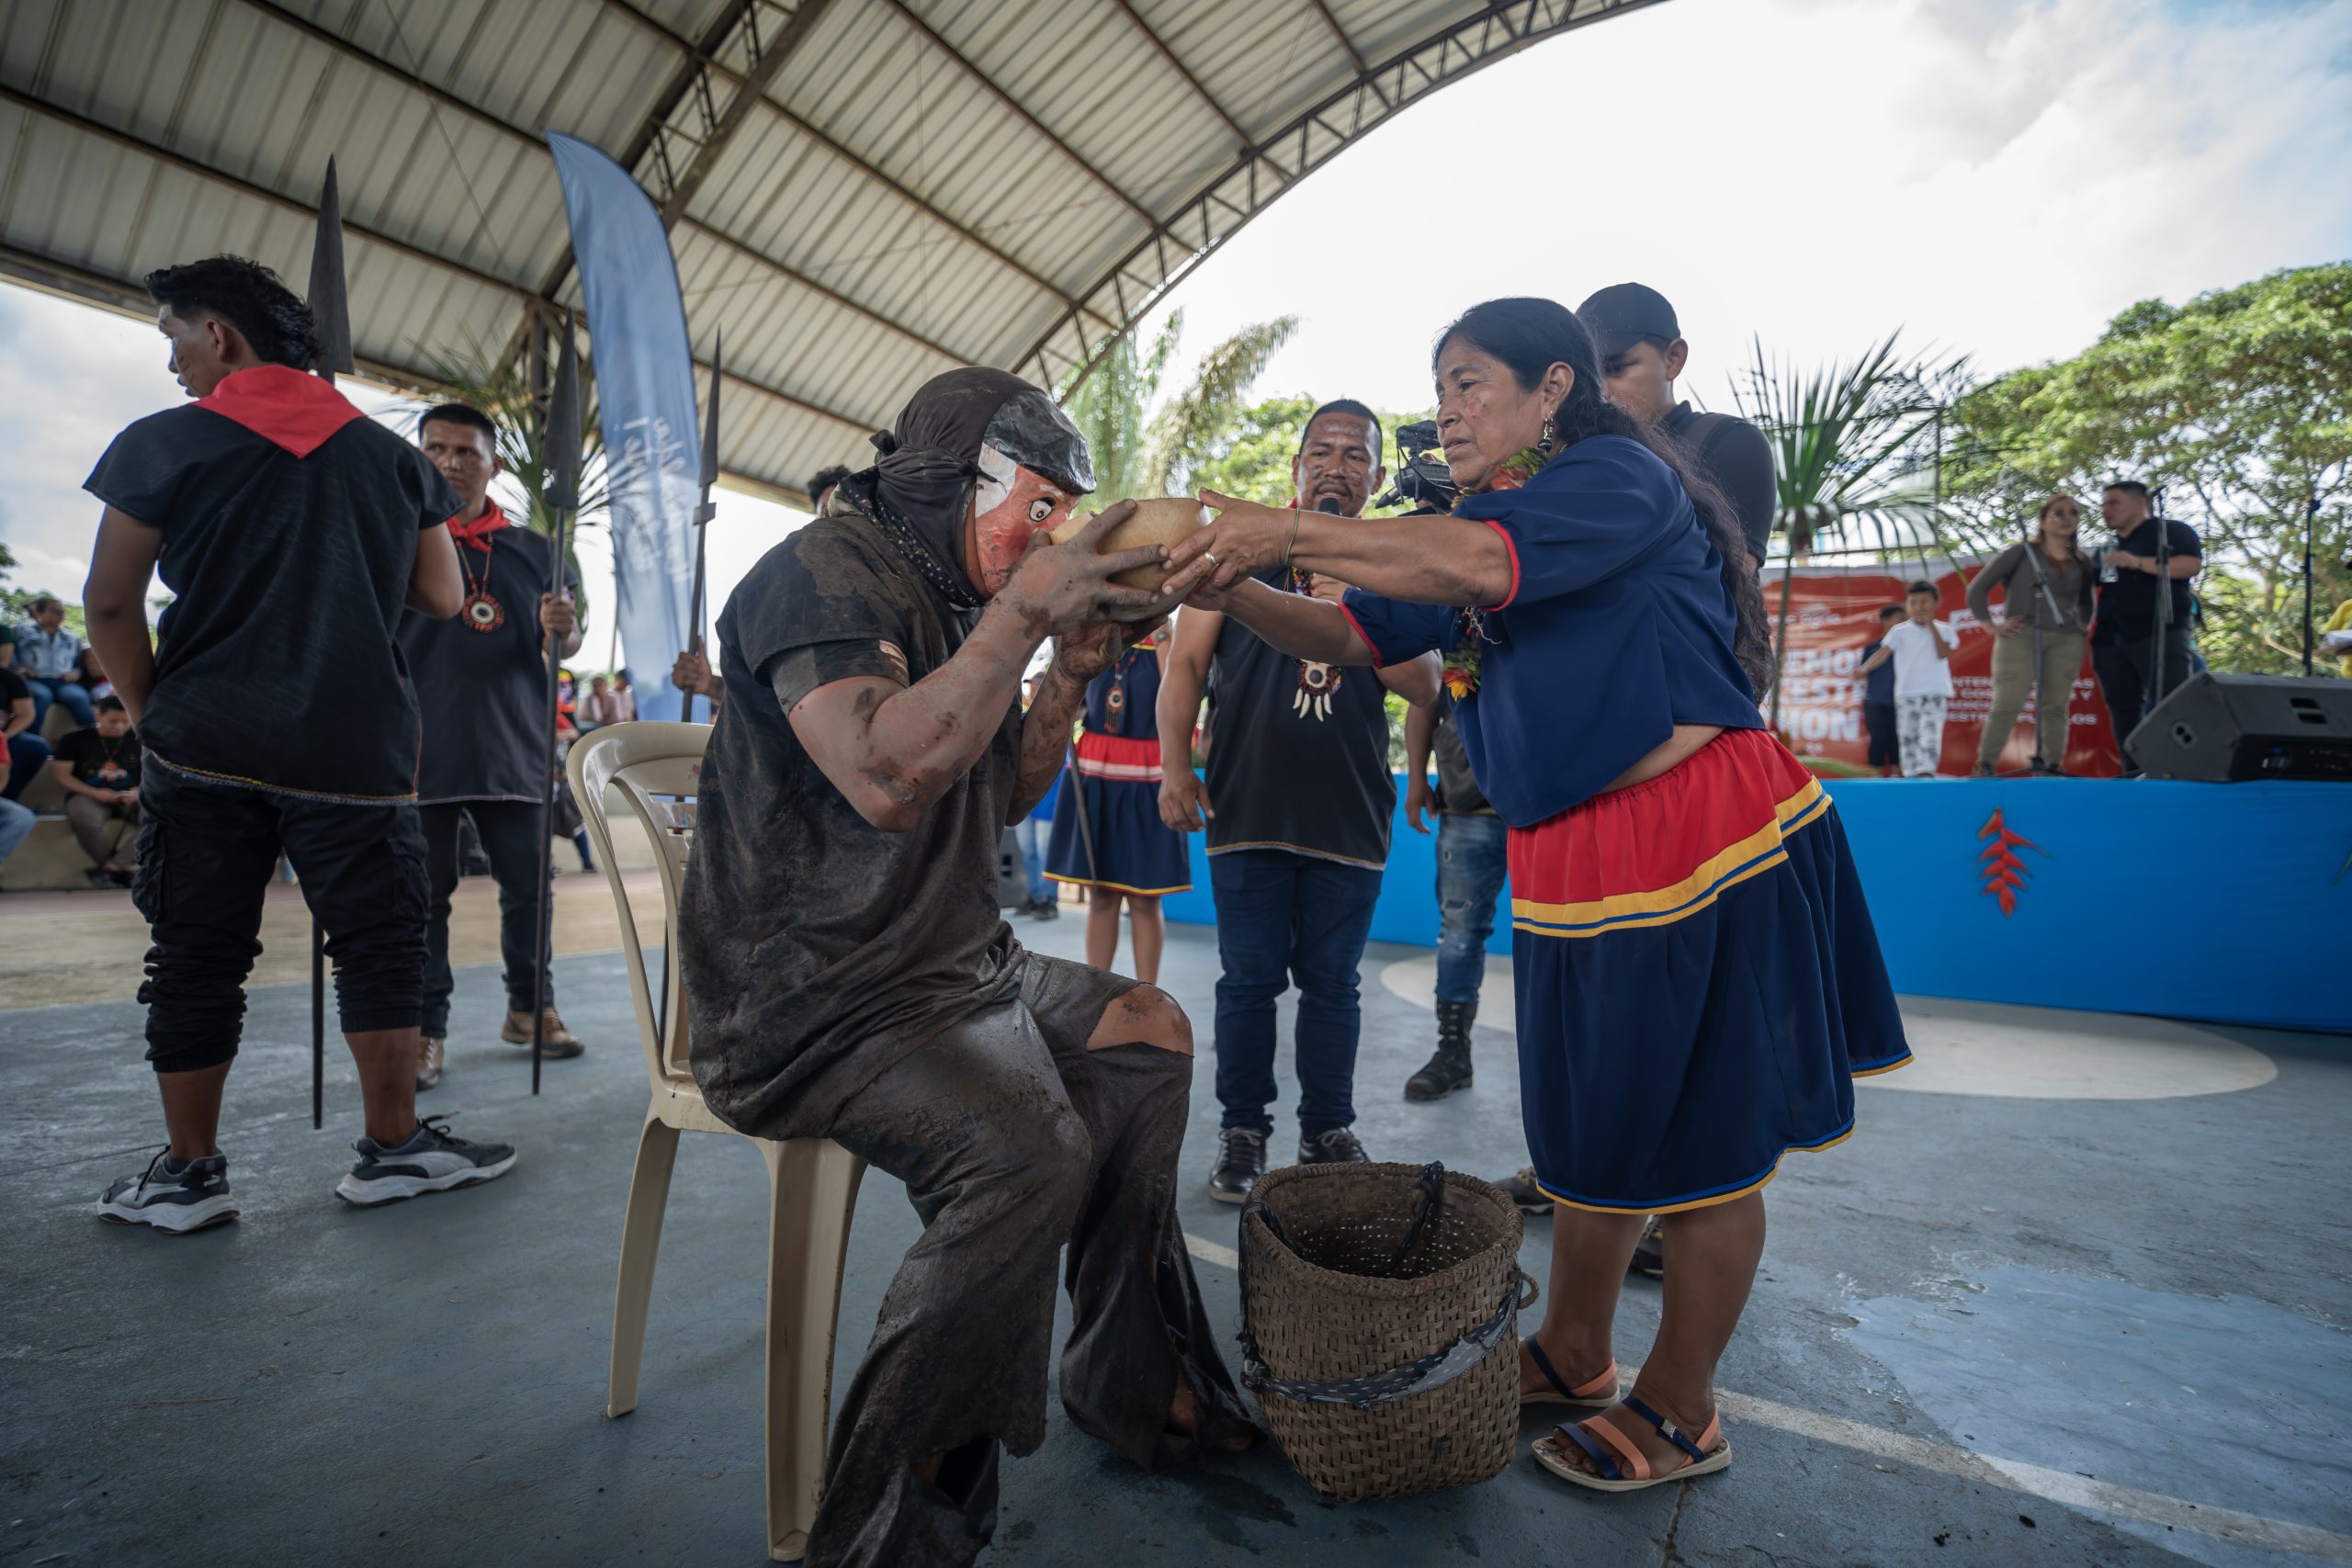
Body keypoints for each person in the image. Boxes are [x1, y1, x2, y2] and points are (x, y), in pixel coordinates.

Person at [1159, 295, 1909, 1495]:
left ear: (1553, 388)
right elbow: (1353, 632)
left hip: (1700, 834)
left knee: (1702, 1143)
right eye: (1438, 385)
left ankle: (1684, 1405)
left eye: (1468, 382)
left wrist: (1275, 525)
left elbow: (1476, 564)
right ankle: (1571, 1349)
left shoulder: (1617, 475)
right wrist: (1223, 578)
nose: (1445, 407)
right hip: (1575, 851)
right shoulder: (1469, 518)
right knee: (1592, 1127)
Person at [679, 367, 1253, 1564]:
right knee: (1027, 1148)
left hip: (952, 969)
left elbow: (996, 795)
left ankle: (1128, 1377)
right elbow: (889, 776)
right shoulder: (822, 571)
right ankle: (894, 1532)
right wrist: (1026, 617)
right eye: (1039, 503)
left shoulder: (961, 592)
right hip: (812, 1006)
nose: (1052, 535)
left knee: (1146, 1028)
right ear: (959, 476)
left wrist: (1074, 670)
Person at [81, 254, 515, 1232]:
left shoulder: (164, 443)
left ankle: (189, 1177)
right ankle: (394, 1148)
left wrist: (156, 717)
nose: (176, 363)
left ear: (220, 337)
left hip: (205, 738)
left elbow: (110, 602)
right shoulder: (393, 460)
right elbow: (442, 598)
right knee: (379, 945)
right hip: (352, 743)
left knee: (196, 950)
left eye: (176, 339)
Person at [1157, 400, 1441, 1203]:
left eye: (1357, 457)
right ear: (1295, 468)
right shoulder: (1236, 550)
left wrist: (1353, 586)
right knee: (1247, 982)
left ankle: (1327, 1129)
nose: (1337, 468)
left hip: (1349, 817)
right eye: (1323, 452)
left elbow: (1421, 684)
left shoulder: (1391, 561)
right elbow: (1183, 668)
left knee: (1334, 984)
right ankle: (1242, 1129)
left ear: (1379, 477)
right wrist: (1175, 767)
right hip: (1247, 807)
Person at [401, 400, 588, 1094]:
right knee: (424, 896)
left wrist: (559, 629)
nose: (450, 463)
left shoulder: (537, 549)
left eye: (466, 452)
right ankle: (426, 1029)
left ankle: (530, 1009)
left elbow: (557, 649)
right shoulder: (398, 536)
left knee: (530, 890)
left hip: (514, 739)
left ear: (493, 464)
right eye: (436, 449)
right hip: (420, 740)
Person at [1577, 283, 1777, 568]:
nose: (1602, 392)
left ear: (1673, 359)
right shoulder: (1573, 456)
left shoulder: (1730, 443)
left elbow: (1730, 584)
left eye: (1616, 369)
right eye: (1590, 377)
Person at [1047, 626, 1189, 978]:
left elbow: (1178, 687)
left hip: (1149, 773)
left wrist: (1160, 634)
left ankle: (1148, 996)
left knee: (1145, 897)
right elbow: (1071, 692)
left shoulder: (1165, 638)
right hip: (1098, 772)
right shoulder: (1096, 632)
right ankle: (1095, 995)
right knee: (1102, 893)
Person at [1398, 696, 1502, 1101]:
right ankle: (1453, 1054)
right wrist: (1417, 780)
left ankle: (1562, 1053)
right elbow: (1424, 697)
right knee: (1460, 935)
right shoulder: (1457, 631)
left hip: (1551, 802)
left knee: (1557, 935)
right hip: (1467, 804)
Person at [1967, 494, 2096, 775]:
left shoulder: (2082, 560)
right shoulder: (2021, 553)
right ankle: (1984, 765)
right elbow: (1977, 589)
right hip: (2021, 634)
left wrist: (2083, 625)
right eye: (2058, 513)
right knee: (2008, 702)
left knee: (2055, 705)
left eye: (2073, 513)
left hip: (2066, 638)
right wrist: (1991, 625)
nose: (2067, 518)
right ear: (2042, 520)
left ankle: (2052, 766)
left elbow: (2087, 601)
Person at [2090, 479, 2201, 748]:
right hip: (2110, 639)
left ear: (2140, 501)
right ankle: (2133, 770)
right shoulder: (2107, 546)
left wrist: (2138, 563)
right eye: (2104, 504)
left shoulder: (2170, 531)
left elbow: (2191, 565)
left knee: (2171, 703)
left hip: (2159, 632)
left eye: (2113, 502)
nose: (2106, 510)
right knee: (2122, 709)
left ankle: (2175, 771)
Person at [1858, 581, 1955, 778]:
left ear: (1936, 602)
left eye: (1924, 602)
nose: (1919, 607)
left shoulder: (1945, 629)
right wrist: (1865, 668)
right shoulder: (1899, 631)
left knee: (1930, 734)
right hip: (1906, 693)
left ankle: (1926, 771)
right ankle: (1910, 774)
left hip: (1935, 692)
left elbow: (1944, 653)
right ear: (1907, 605)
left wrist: (1930, 626)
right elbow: (1883, 653)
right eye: (1914, 602)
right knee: (1907, 736)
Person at [51, 694, 141, 886]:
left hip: (131, 796)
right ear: (98, 715)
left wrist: (139, 791)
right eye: (113, 721)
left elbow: (154, 772)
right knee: (84, 818)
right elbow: (62, 776)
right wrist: (95, 793)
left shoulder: (139, 737)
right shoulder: (73, 739)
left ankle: (113, 868)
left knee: (160, 818)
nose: (119, 726)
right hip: (88, 794)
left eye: (126, 721)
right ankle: (117, 871)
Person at [17, 595, 96, 733]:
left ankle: (94, 738)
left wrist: (75, 673)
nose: (60, 615)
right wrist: (19, 669)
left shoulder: (72, 637)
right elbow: (9, 657)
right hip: (34, 680)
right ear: (39, 612)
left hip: (63, 682)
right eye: (55, 611)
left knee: (78, 697)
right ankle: (31, 739)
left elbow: (78, 666)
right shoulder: (20, 632)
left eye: (62, 612)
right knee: (41, 696)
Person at [1858, 604, 1904, 777]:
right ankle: (1874, 782)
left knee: (1897, 741)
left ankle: (1897, 782)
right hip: (1875, 702)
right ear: (1885, 621)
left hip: (1899, 702)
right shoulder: (1872, 648)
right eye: (1899, 620)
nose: (1903, 624)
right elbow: (1863, 671)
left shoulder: (1906, 647)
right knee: (1878, 741)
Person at [0, 660, 51, 800]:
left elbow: (26, 714)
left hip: (4, 736)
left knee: (35, 747)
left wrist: (5, 736)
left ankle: (6, 799)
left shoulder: (9, 676)